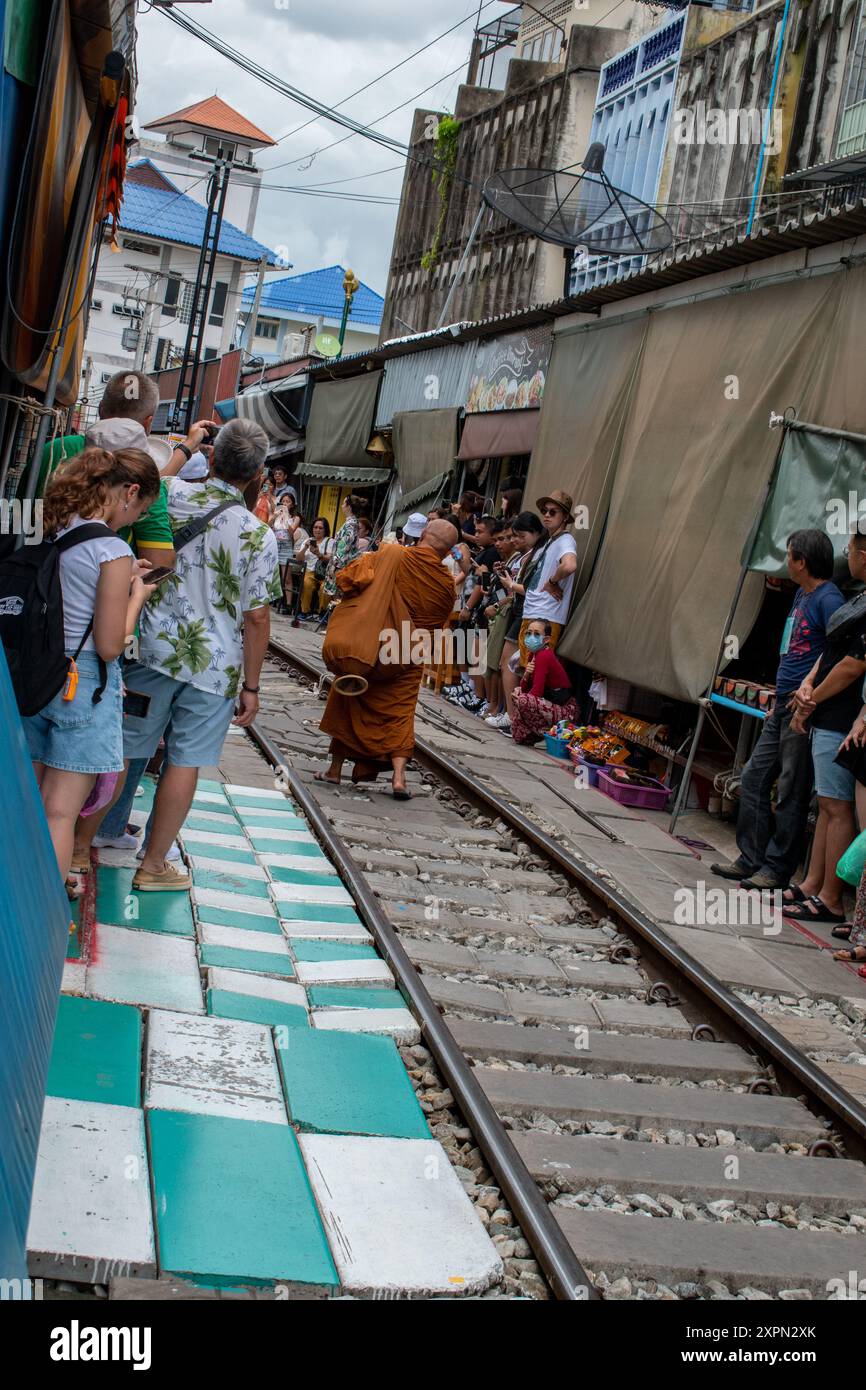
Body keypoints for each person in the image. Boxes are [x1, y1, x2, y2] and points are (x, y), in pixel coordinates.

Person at [85, 418, 280, 891]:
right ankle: (152, 867)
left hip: (151, 650)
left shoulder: (168, 493)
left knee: (126, 752)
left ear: (211, 458)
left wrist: (182, 445)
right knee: (184, 762)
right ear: (257, 473)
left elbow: (151, 474)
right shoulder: (260, 535)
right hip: (214, 670)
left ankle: (78, 849)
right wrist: (251, 686)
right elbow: (256, 619)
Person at [23, 448, 160, 890]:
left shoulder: (55, 532)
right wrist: (135, 596)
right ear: (129, 492)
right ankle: (47, 918)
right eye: (140, 509)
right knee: (59, 813)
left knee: (29, 807)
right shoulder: (112, 550)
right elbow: (107, 645)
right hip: (81, 689)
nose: (136, 519)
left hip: (36, 678)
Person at [711, 529, 845, 893]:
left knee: (790, 791)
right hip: (782, 702)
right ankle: (751, 858)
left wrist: (807, 696)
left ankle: (776, 869)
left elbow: (833, 654)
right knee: (754, 779)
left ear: (802, 561)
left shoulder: (829, 600)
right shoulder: (803, 595)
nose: (786, 563)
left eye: (789, 556)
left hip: (802, 708)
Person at [316, 519, 458, 798]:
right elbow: (437, 623)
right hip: (407, 655)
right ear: (448, 551)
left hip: (371, 645)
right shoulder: (446, 584)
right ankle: (399, 777)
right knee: (400, 712)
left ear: (423, 535)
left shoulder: (392, 555)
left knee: (348, 696)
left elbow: (348, 580)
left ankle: (334, 770)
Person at [782, 528, 866, 923]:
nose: (847, 555)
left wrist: (811, 697)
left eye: (851, 549)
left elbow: (852, 666)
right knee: (826, 805)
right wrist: (808, 685)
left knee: (837, 806)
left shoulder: (844, 599)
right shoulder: (856, 598)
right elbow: (833, 653)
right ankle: (813, 883)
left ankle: (831, 896)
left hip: (842, 713)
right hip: (827, 709)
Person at [485, 511, 546, 732]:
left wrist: (510, 585)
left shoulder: (539, 555)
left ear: (535, 533)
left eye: (519, 536)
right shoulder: (527, 555)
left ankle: (512, 715)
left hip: (526, 613)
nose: (515, 540)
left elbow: (529, 588)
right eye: (514, 536)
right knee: (505, 663)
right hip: (520, 611)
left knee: (510, 665)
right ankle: (508, 713)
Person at [517, 490, 578, 665]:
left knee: (535, 673)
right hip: (535, 612)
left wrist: (552, 582)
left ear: (565, 517)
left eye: (553, 512)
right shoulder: (551, 541)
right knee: (527, 671)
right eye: (544, 511)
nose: (547, 515)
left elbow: (570, 565)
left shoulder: (565, 540)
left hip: (545, 616)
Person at [511, 620, 579, 744]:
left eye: (537, 634)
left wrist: (521, 697)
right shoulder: (534, 654)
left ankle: (548, 736)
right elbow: (525, 689)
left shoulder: (544, 656)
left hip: (566, 711)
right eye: (528, 633)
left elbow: (536, 692)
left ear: (546, 639)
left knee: (522, 700)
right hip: (548, 704)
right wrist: (526, 675)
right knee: (518, 734)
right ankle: (537, 735)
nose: (531, 637)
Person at [323, 494, 370, 601]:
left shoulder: (351, 525)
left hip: (340, 566)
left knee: (338, 599)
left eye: (344, 503)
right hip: (340, 565)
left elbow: (343, 548)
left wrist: (335, 567)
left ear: (349, 507)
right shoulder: (351, 523)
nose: (342, 505)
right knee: (336, 599)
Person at [297, 517, 334, 618]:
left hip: (324, 573)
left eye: (320, 528)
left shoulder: (330, 541)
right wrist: (305, 547)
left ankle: (322, 612)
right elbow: (299, 559)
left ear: (325, 530)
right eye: (315, 527)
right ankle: (305, 611)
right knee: (306, 583)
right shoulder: (308, 541)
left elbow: (331, 559)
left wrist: (319, 554)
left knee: (324, 588)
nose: (317, 530)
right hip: (309, 571)